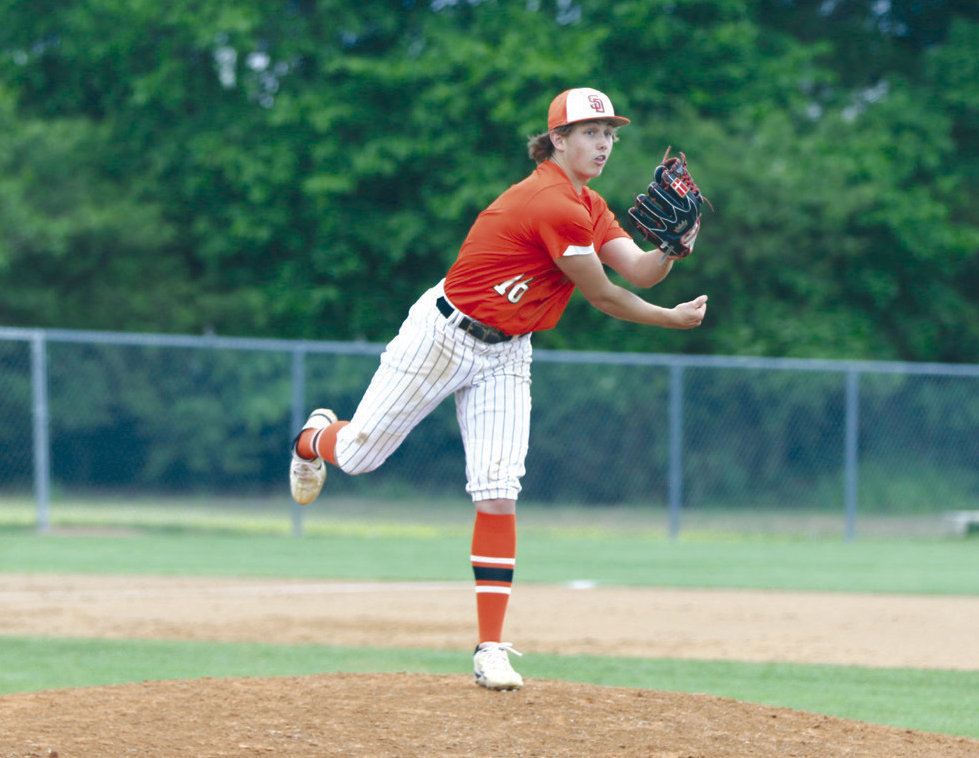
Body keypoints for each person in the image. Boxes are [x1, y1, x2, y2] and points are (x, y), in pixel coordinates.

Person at [289, 87, 708, 690]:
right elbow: (606, 296)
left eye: (610, 132)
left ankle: (491, 649)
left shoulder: (589, 206)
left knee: (497, 488)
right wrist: (671, 318)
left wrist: (670, 248)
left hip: (507, 352)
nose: (604, 143)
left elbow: (638, 270)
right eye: (590, 132)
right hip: (441, 335)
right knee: (357, 456)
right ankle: (312, 438)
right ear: (557, 140)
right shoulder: (550, 202)